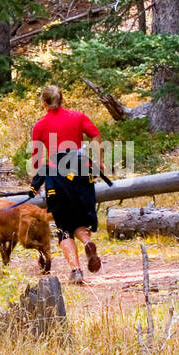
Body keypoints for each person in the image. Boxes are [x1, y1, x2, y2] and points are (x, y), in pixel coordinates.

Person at [30, 85, 103, 285]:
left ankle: (76, 270)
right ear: (62, 100)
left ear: (44, 103)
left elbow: (37, 161)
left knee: (63, 227)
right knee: (80, 221)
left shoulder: (40, 126)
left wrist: (36, 182)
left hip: (57, 177)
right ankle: (87, 242)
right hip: (80, 172)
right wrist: (97, 160)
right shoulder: (78, 117)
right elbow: (95, 135)